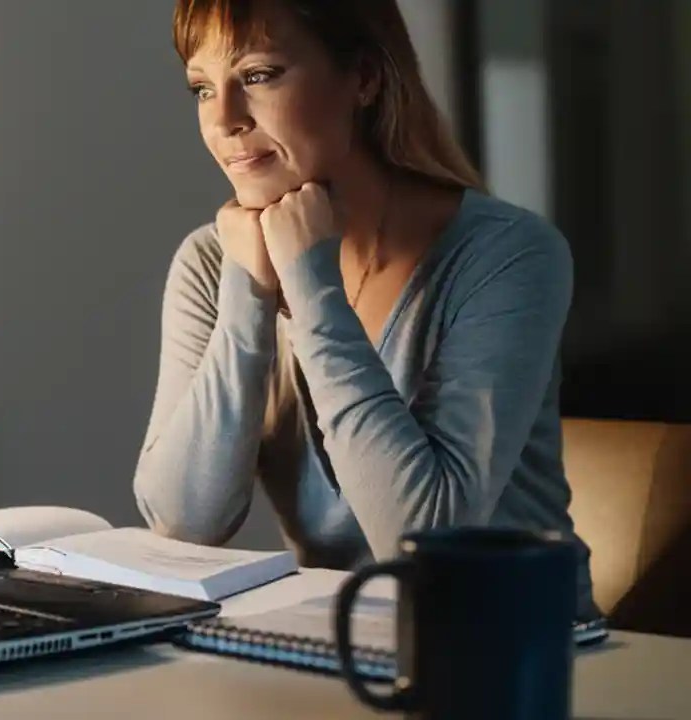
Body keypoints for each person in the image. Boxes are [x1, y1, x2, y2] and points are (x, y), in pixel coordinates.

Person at [133, 0, 599, 618]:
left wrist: (310, 288)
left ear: (364, 78)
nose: (224, 120)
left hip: (516, 645)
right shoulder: (212, 263)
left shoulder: (509, 255)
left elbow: (426, 539)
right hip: (336, 644)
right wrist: (248, 288)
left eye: (259, 75)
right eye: (202, 88)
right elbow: (184, 524)